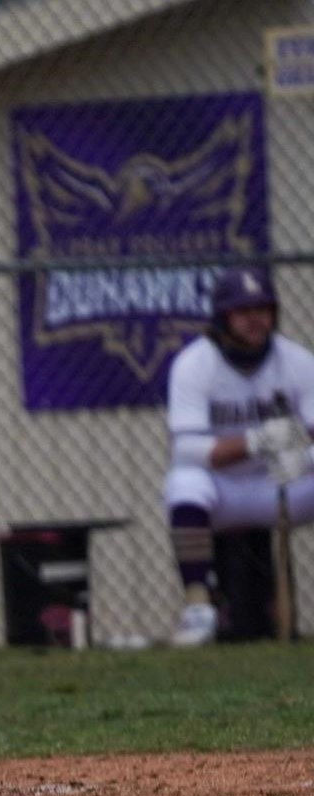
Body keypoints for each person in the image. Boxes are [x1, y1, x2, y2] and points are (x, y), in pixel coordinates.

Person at [164, 265, 314, 645]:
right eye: (243, 312)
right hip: (225, 491)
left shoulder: (296, 360)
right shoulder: (194, 364)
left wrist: (304, 457)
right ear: (222, 316)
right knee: (183, 483)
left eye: (262, 310)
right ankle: (198, 608)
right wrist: (256, 441)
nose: (255, 320)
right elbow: (188, 448)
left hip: (284, 481)